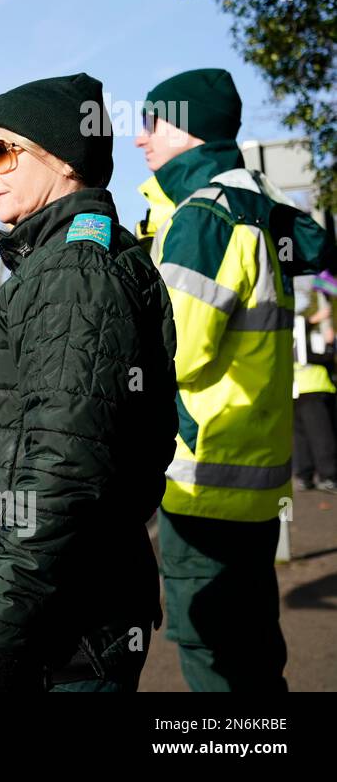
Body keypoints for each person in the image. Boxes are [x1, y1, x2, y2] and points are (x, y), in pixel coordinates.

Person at [0, 73, 177, 692]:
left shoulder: (74, 272)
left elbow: (64, 472)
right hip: (52, 619)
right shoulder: (61, 264)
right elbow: (43, 416)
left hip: (55, 632)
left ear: (65, 157)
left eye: (0, 151)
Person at [134, 67, 335, 691]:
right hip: (252, 469)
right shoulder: (254, 209)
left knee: (213, 648)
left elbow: (175, 353)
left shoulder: (203, 217)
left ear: (189, 128)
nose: (141, 140)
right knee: (251, 646)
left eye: (153, 122)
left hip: (201, 472)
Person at [293, 359, 337, 493]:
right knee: (322, 435)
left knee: (301, 435)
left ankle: (304, 477)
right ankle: (329, 477)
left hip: (293, 387)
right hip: (315, 384)